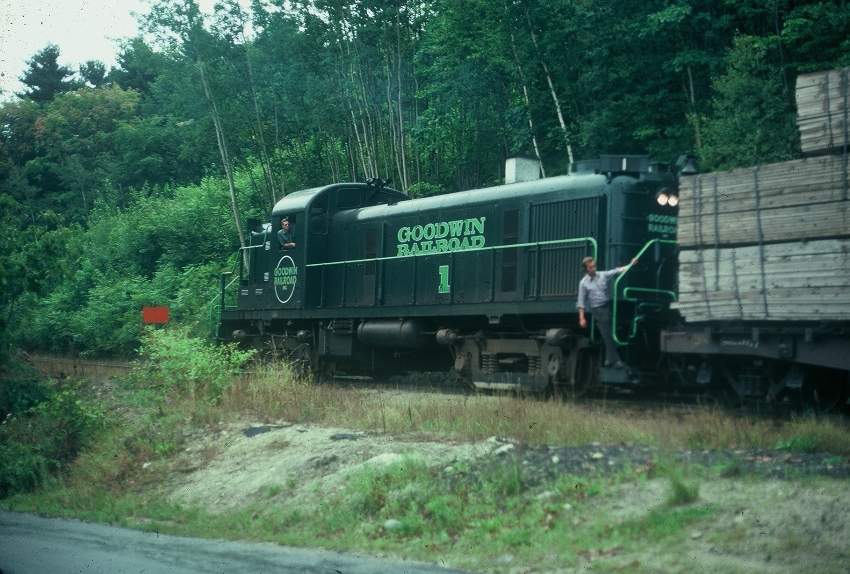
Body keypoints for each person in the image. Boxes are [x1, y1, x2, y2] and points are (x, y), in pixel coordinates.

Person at [576, 256, 637, 368]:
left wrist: (630, 264)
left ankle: (608, 360)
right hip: (597, 310)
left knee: (607, 333)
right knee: (607, 333)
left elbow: (616, 271)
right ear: (586, 269)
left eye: (594, 266)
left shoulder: (603, 275)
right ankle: (616, 361)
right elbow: (581, 302)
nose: (593, 268)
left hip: (607, 307)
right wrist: (582, 318)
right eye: (591, 267)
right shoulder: (583, 283)